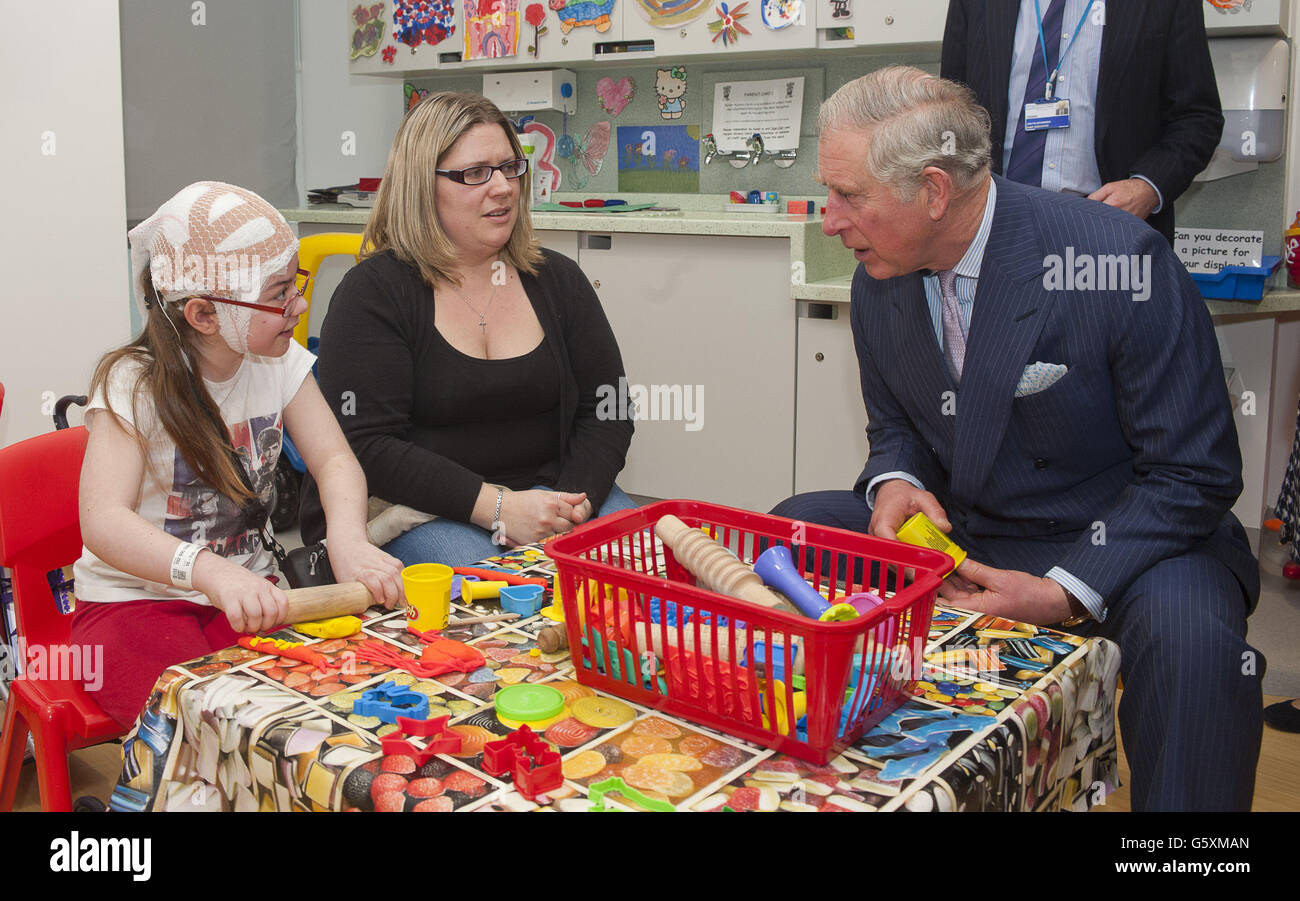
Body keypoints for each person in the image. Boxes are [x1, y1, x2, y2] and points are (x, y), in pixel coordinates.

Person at [772, 67, 1263, 811]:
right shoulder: (878, 275)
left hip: (1131, 538)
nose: (829, 219)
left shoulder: (1116, 262)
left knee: (1196, 650)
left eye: (849, 196)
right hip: (976, 527)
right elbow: (897, 424)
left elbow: (1191, 473)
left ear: (934, 191)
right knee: (791, 532)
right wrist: (894, 480)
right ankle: (840, 782)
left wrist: (1063, 591)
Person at [72, 182, 405, 728]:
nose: (299, 305)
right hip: (131, 605)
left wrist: (347, 537)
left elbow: (335, 461)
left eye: (294, 284)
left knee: (312, 715)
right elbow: (102, 521)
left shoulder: (279, 361)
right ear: (204, 314)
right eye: (279, 294)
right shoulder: (131, 383)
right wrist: (209, 572)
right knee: (205, 725)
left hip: (251, 597)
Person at [299, 92, 635, 567]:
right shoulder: (374, 293)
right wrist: (501, 509)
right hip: (421, 510)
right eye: (475, 174)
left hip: (551, 495)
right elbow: (366, 445)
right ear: (421, 186)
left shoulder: (558, 280)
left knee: (642, 572)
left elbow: (608, 409)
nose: (502, 188)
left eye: (509, 167)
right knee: (492, 599)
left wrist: (566, 506)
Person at [940, 0, 1223, 244]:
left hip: (1109, 232)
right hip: (995, 229)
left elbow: (1197, 117)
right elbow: (948, 111)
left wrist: (1146, 188)